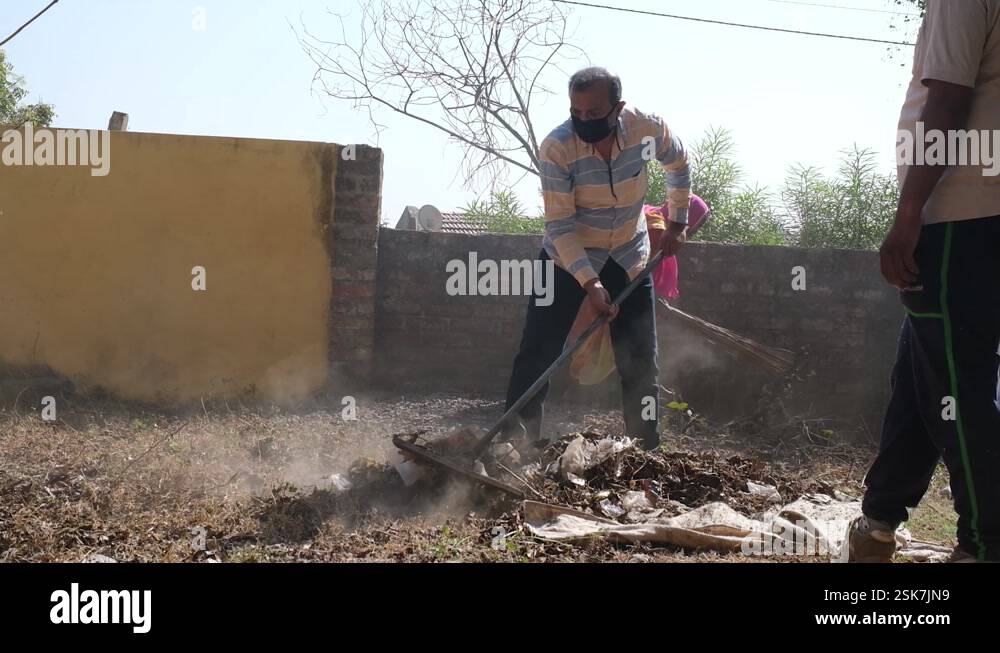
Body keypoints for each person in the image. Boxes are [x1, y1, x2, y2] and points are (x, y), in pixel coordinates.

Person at [846, 0, 1000, 562]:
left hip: (963, 212)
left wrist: (909, 212)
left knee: (961, 386)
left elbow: (950, 96)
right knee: (924, 370)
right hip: (982, 209)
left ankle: (986, 543)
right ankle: (879, 519)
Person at [502, 66, 692, 451]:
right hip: (564, 260)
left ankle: (646, 450)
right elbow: (559, 224)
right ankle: (513, 448)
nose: (584, 121)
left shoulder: (646, 130)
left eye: (594, 113)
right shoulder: (557, 148)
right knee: (537, 352)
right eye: (577, 113)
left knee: (641, 362)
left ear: (617, 107)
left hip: (629, 256)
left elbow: (679, 164)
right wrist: (591, 283)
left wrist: (677, 222)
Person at [568, 195, 711, 386]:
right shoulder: (656, 228)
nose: (693, 231)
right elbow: (637, 268)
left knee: (597, 346)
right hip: (615, 293)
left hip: (606, 287)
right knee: (602, 348)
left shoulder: (650, 215)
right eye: (694, 224)